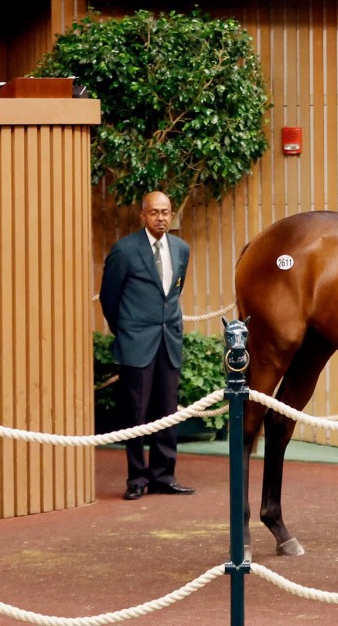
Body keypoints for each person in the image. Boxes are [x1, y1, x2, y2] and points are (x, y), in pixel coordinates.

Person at [99, 191, 194, 500]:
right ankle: (137, 478)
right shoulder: (125, 251)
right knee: (135, 415)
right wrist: (126, 332)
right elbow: (109, 300)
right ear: (143, 215)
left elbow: (173, 295)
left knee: (167, 412)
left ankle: (164, 476)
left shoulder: (181, 249)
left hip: (169, 342)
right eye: (154, 212)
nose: (161, 218)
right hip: (136, 343)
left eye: (166, 212)